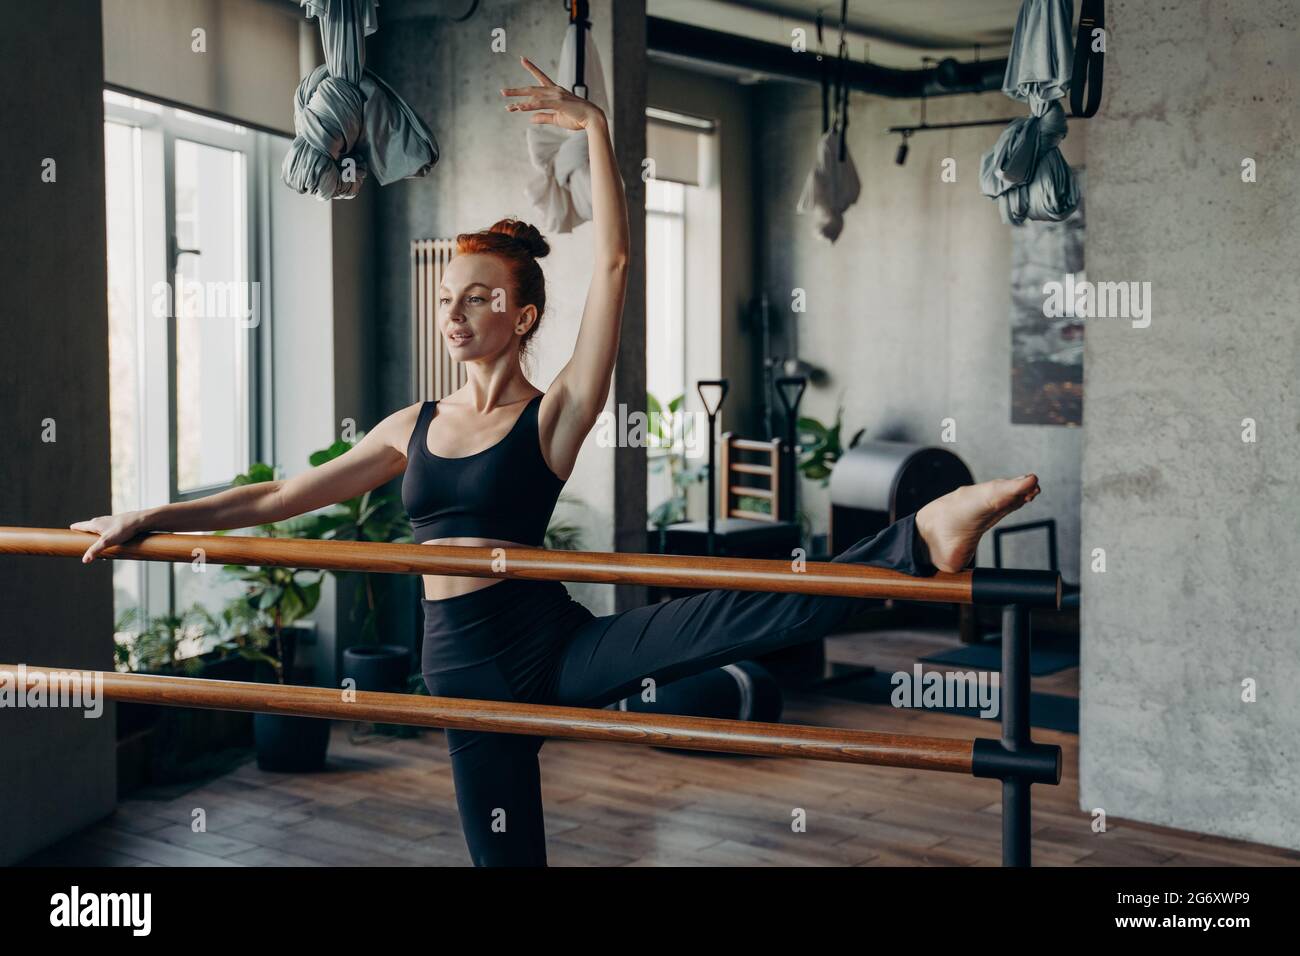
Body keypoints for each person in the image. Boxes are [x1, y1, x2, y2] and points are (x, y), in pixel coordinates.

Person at [73, 56, 1041, 866]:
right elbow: (281, 494)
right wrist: (149, 515)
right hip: (457, 668)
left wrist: (595, 132)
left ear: (523, 313)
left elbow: (614, 270)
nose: (455, 313)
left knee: (729, 602)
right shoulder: (408, 424)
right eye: (448, 299)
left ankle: (920, 531)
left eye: (479, 298)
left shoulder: (555, 414)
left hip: (553, 643)